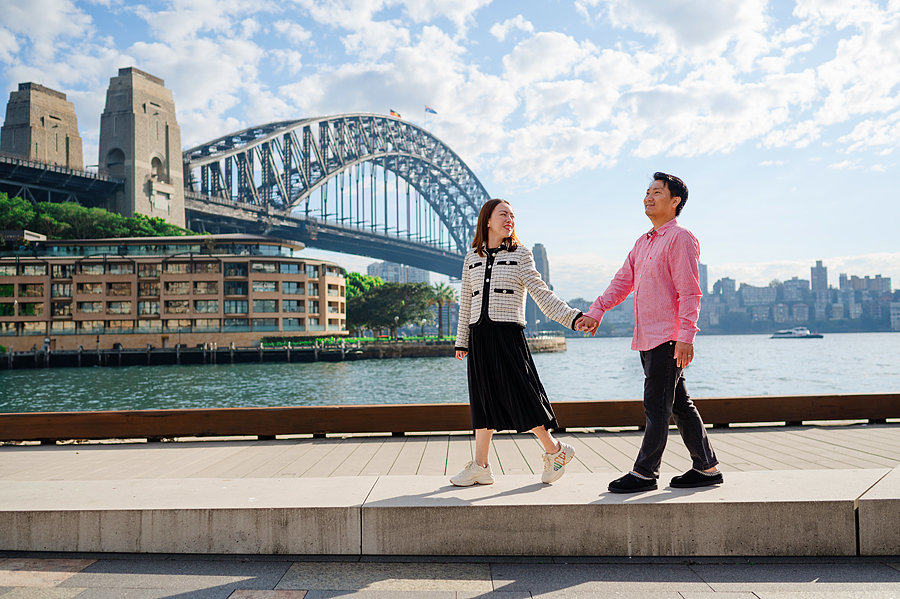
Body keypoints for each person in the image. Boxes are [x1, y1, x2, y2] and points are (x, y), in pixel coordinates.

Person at [576, 172, 722, 493]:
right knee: (678, 404)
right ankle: (707, 466)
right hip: (648, 337)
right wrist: (597, 311)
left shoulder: (680, 238)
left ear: (675, 201)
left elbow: (690, 292)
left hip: (668, 337)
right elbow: (621, 282)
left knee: (656, 405)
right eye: (647, 192)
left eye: (657, 192)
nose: (649, 197)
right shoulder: (643, 243)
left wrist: (686, 336)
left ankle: (644, 472)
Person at [451, 199, 583, 486]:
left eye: (513, 215)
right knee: (483, 401)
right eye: (503, 214)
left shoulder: (520, 255)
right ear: (487, 220)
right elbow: (465, 304)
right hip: (479, 336)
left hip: (508, 334)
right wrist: (462, 341)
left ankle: (555, 451)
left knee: (521, 396)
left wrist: (573, 319)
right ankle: (481, 466)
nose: (510, 218)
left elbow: (542, 294)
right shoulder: (471, 258)